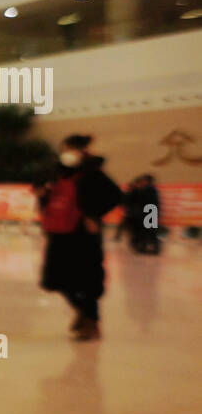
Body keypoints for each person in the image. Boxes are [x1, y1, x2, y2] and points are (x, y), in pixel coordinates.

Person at [36, 134, 122, 340]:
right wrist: (42, 195)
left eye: (71, 149)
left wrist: (94, 215)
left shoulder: (93, 173)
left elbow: (116, 195)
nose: (68, 154)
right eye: (65, 149)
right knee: (56, 279)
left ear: (83, 151)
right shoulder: (56, 172)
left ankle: (90, 322)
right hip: (59, 233)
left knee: (86, 279)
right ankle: (83, 313)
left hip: (83, 235)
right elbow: (47, 198)